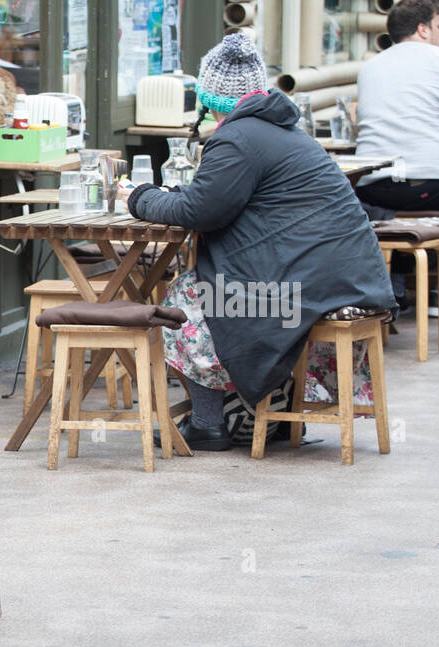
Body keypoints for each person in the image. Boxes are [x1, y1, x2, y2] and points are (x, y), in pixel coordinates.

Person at [126, 33, 396, 451]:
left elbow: (200, 212)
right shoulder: (283, 131)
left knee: (184, 297)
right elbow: (216, 199)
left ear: (211, 97)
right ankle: (271, 418)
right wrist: (179, 197)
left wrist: (141, 198)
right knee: (213, 287)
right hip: (347, 278)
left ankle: (208, 424)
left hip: (306, 289)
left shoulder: (237, 138)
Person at [354, 0, 439, 212]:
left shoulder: (369, 68)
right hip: (430, 184)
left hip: (371, 189)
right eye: (438, 26)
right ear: (423, 29)